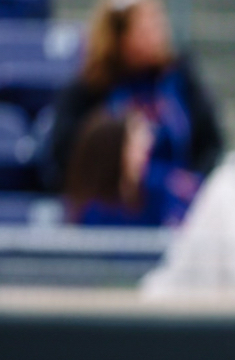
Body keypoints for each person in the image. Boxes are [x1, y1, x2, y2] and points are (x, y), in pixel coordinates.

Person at [46, 0, 223, 194]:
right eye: (145, 27)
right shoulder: (89, 88)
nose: (157, 33)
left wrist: (190, 184)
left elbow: (211, 145)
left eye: (158, 22)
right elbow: (67, 157)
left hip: (179, 201)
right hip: (111, 200)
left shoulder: (180, 77)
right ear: (118, 35)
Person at [62, 109, 200, 226]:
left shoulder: (159, 188)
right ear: (114, 152)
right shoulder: (92, 213)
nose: (147, 144)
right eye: (135, 147)